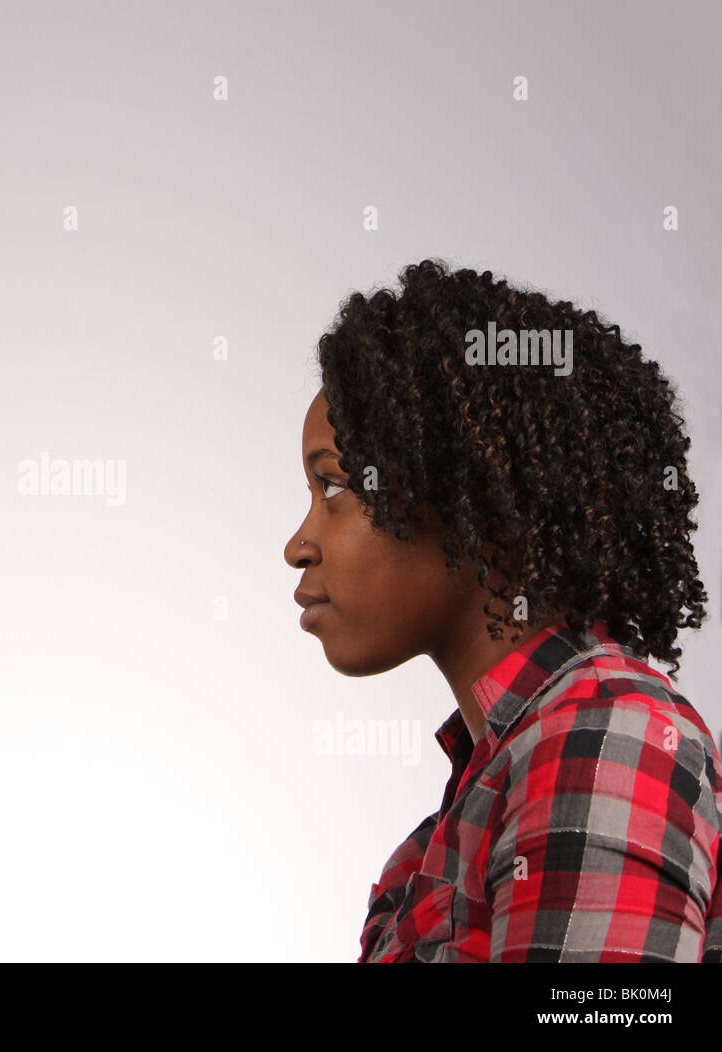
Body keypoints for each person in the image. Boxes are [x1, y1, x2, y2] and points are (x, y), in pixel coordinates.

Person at [285, 260, 720, 962]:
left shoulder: (607, 732)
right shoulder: (450, 825)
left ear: (472, 495)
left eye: (335, 482)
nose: (298, 544)